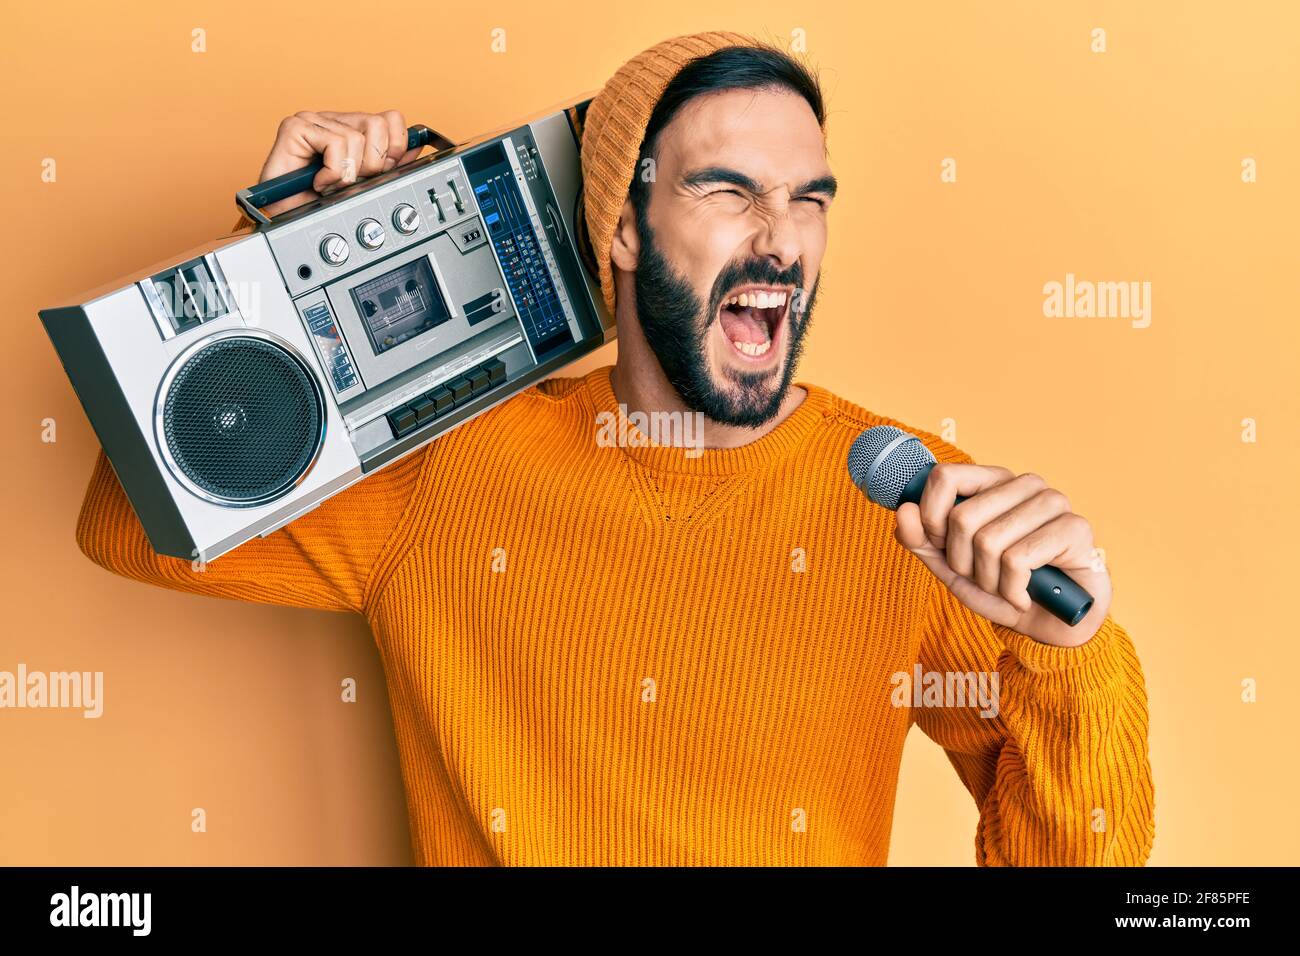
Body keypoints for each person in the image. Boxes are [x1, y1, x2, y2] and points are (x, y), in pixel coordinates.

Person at [75, 31, 1155, 865]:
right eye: (728, 190)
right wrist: (271, 261)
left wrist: (1075, 656)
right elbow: (137, 526)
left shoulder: (907, 500)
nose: (780, 234)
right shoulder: (450, 465)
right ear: (624, 226)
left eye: (807, 199)